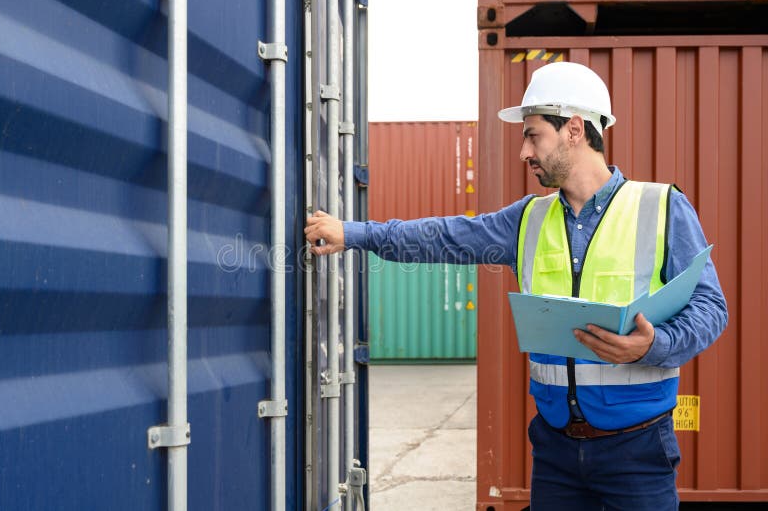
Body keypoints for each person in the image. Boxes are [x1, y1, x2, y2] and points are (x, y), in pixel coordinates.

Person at [304, 61, 728, 510]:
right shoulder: (527, 219)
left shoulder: (662, 206)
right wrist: (354, 234)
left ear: (575, 130)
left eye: (533, 135)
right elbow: (446, 238)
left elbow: (710, 307)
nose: (524, 152)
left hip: (639, 451)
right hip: (556, 452)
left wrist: (653, 345)